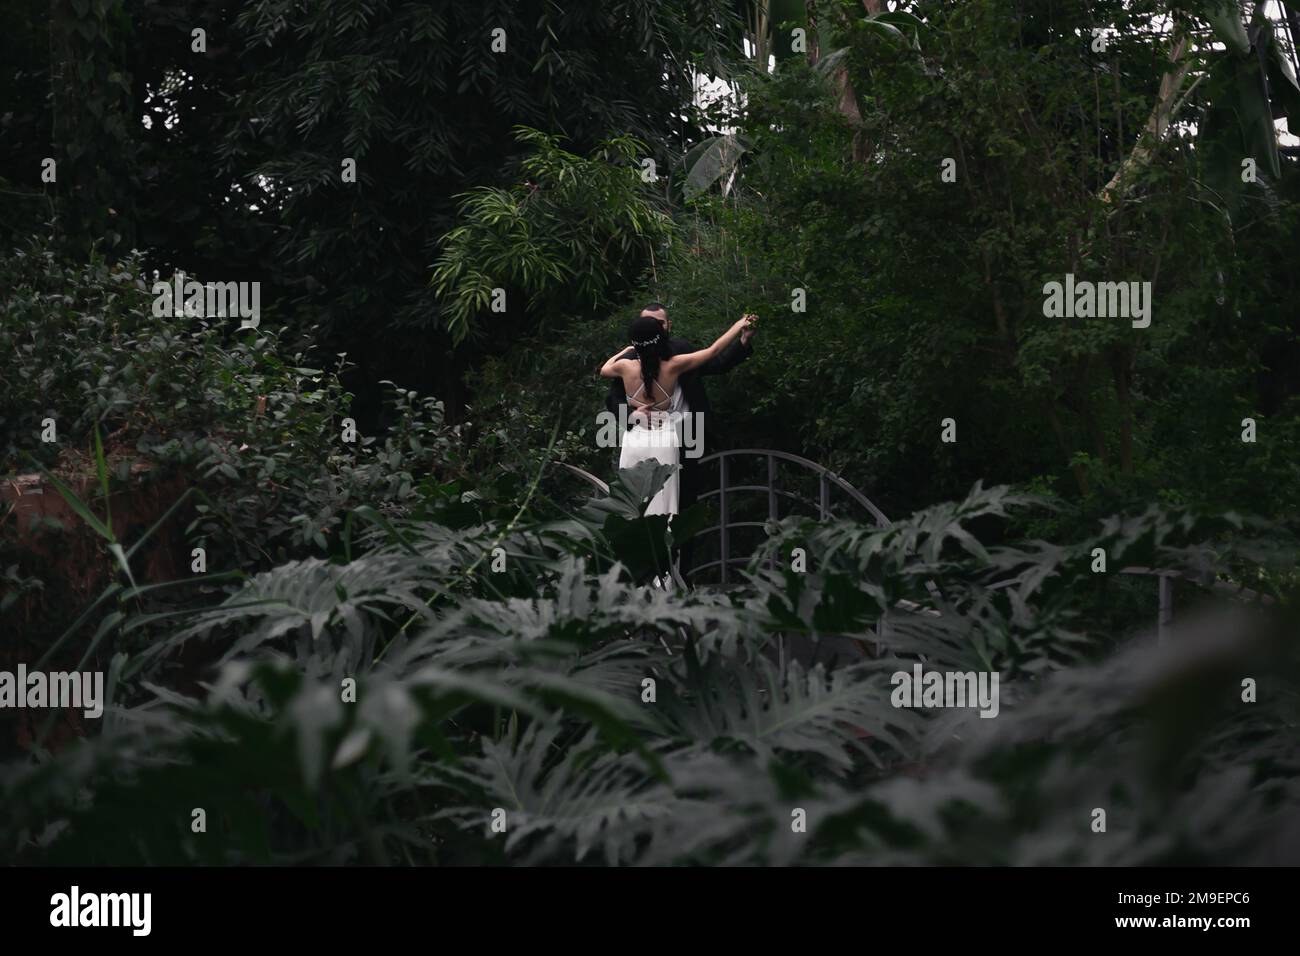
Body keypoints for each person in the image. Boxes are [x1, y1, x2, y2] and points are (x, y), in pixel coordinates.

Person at [603, 302, 757, 513]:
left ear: (668, 325)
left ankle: (675, 544)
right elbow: (613, 399)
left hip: (685, 438)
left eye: (659, 322)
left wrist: (744, 341)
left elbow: (718, 363)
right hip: (654, 436)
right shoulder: (654, 362)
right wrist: (631, 415)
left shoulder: (674, 352)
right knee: (654, 500)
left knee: (680, 499)